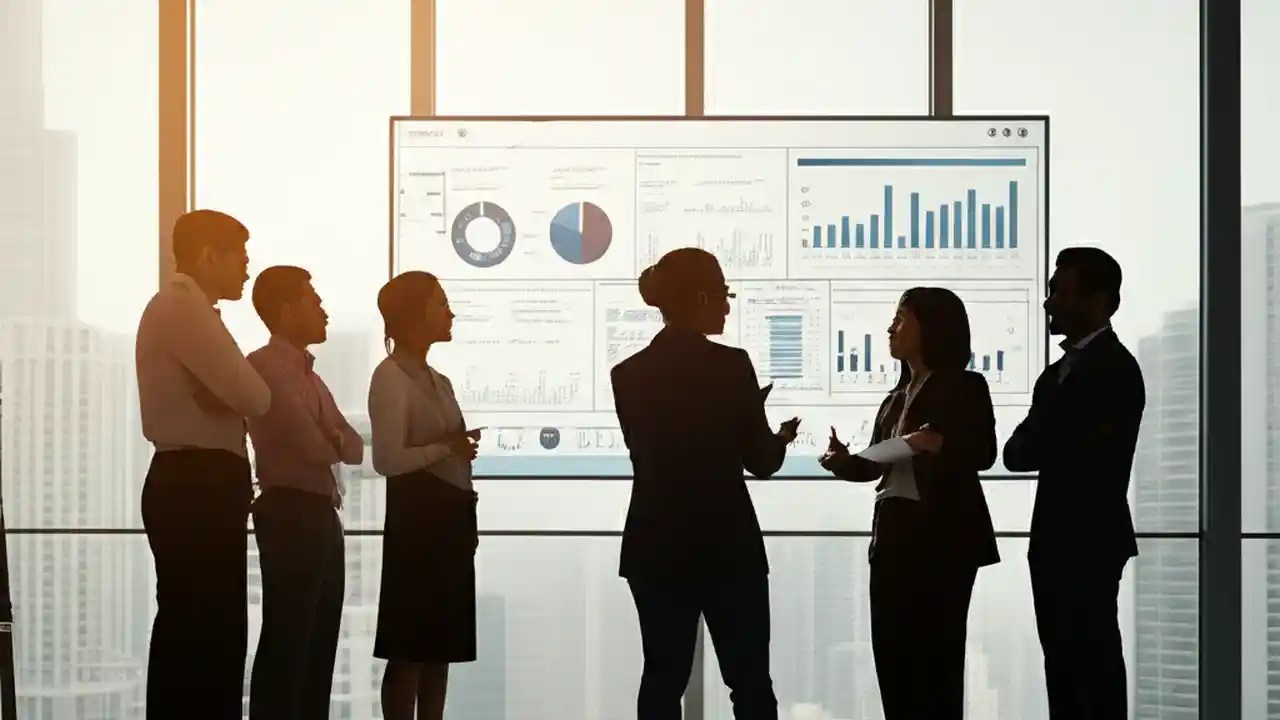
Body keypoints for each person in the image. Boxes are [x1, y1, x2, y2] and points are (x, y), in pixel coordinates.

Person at [611, 247, 800, 720]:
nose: (727, 308)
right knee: (749, 681)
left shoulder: (627, 374)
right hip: (726, 544)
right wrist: (777, 435)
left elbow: (655, 448)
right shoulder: (732, 366)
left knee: (662, 679)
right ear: (699, 298)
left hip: (654, 545)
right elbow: (761, 461)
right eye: (723, 296)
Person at [818, 286, 999, 720]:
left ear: (931, 327)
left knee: (936, 663)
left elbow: (984, 452)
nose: (890, 328)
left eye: (900, 319)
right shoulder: (894, 399)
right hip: (893, 538)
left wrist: (937, 444)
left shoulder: (964, 386)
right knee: (893, 660)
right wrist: (843, 462)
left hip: (943, 539)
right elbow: (875, 465)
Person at [135, 209, 271, 719]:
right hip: (196, 487)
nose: (247, 268)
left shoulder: (191, 309)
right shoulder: (181, 307)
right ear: (209, 255)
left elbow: (242, 393)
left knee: (204, 629)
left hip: (200, 485)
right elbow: (256, 396)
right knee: (202, 633)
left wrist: (228, 394)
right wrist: (232, 395)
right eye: (240, 256)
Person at [1004, 247, 1144, 720]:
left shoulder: (1116, 369)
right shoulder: (1057, 376)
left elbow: (1042, 445)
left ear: (1099, 301)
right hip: (1056, 541)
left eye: (1061, 292)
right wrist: (1054, 435)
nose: (1050, 302)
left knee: (1091, 668)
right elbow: (1017, 454)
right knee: (1065, 668)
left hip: (1089, 540)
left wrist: (1049, 435)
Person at [244, 266, 363, 719]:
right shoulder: (265, 367)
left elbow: (353, 448)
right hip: (290, 512)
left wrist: (331, 436)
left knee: (319, 645)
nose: (323, 310)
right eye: (313, 301)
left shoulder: (311, 376)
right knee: (289, 642)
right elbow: (316, 446)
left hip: (321, 514)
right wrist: (331, 436)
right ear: (287, 310)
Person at [368, 271, 480, 720]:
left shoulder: (440, 380)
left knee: (441, 648)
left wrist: (455, 450)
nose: (450, 313)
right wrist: (446, 448)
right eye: (441, 303)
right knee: (410, 646)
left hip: (450, 517)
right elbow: (387, 459)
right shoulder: (390, 376)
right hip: (417, 522)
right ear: (415, 314)